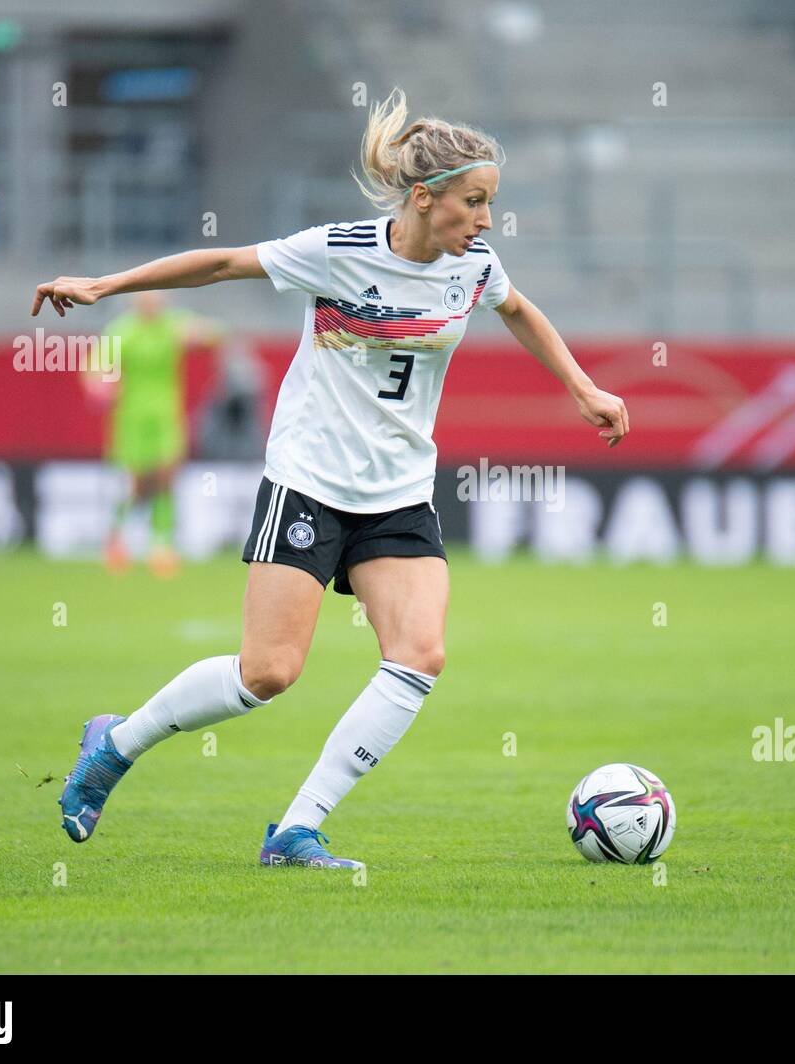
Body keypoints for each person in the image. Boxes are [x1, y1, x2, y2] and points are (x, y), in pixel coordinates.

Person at [31, 87, 629, 869]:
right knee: (267, 673)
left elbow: (517, 308)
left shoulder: (472, 264)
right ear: (424, 197)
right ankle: (115, 744)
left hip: (400, 493)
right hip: (309, 480)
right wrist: (106, 286)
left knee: (419, 655)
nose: (486, 222)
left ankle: (295, 831)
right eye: (475, 203)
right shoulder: (338, 251)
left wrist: (582, 386)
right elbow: (220, 263)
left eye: (490, 205)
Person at [83, 290, 223, 577]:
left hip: (166, 418)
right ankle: (116, 538)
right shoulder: (122, 330)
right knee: (135, 483)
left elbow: (218, 334)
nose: (152, 301)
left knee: (165, 478)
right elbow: (95, 370)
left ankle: (161, 544)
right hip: (131, 419)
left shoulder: (172, 325)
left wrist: (201, 333)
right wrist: (101, 384)